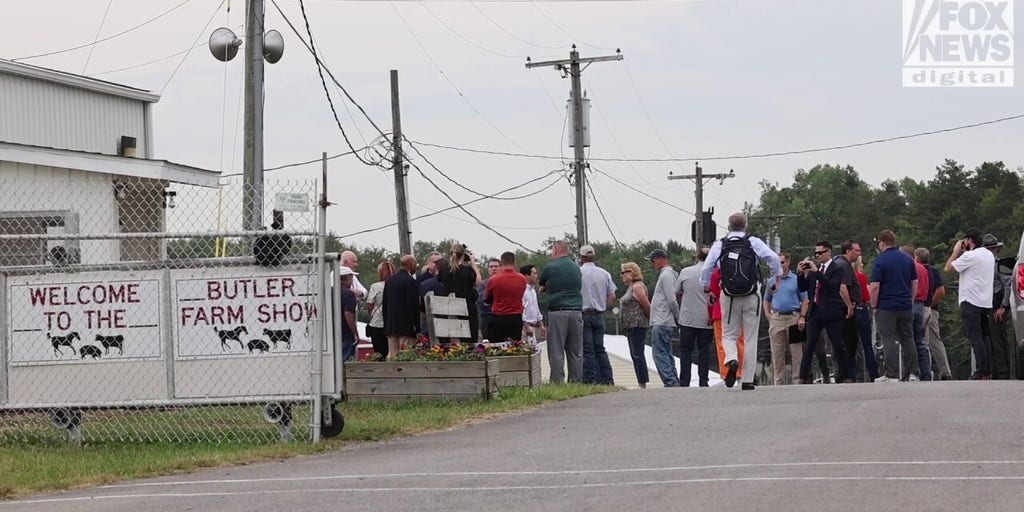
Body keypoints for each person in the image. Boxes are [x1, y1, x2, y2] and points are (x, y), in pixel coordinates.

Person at [700, 212, 781, 390]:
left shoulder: (720, 244)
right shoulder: (753, 242)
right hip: (752, 293)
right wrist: (775, 279)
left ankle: (731, 358)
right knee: (751, 337)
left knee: (729, 333)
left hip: (728, 294)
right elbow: (774, 258)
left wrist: (706, 287)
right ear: (746, 226)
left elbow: (707, 267)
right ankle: (746, 380)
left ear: (728, 227)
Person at [797, 241, 858, 384]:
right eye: (816, 253)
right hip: (815, 311)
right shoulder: (814, 271)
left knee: (838, 344)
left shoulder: (837, 268)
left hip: (831, 311)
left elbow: (832, 285)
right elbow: (803, 288)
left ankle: (846, 375)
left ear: (828, 252)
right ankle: (803, 376)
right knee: (810, 345)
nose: (817, 256)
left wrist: (817, 272)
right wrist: (800, 274)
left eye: (820, 253)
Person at [945, 229, 995, 379]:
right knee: (984, 336)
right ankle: (987, 368)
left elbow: (948, 269)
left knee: (974, 336)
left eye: (964, 241)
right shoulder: (988, 255)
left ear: (969, 240)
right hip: (985, 301)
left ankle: (981, 370)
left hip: (970, 300)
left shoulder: (969, 256)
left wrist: (955, 252)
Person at [871, 229, 919, 382]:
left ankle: (891, 374)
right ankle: (912, 372)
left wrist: (874, 305)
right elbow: (914, 282)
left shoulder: (880, 261)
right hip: (905, 305)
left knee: (888, 339)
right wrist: (910, 300)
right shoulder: (907, 260)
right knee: (908, 338)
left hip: (886, 306)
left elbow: (874, 286)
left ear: (882, 242)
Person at [539, 240, 584, 383]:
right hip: (576, 312)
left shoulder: (550, 267)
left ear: (555, 250)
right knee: (575, 351)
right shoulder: (576, 268)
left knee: (557, 351)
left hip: (558, 311)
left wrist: (546, 288)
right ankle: (576, 382)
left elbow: (542, 285)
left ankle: (557, 382)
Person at [763, 252, 808, 385]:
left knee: (796, 353)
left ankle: (797, 380)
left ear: (788, 262)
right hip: (777, 318)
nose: (779, 265)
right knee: (777, 353)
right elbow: (766, 300)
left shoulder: (796, 279)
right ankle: (779, 382)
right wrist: (768, 315)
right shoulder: (772, 281)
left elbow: (805, 300)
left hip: (794, 317)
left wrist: (802, 317)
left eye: (782, 262)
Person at [676, 248, 713, 387]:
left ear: (697, 257)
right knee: (704, 350)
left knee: (686, 351)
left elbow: (677, 291)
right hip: (706, 318)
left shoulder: (686, 272)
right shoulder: (713, 273)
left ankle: (684, 381)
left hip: (688, 318)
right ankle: (704, 380)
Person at [579, 245, 616, 385]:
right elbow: (612, 296)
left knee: (587, 349)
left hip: (584, 314)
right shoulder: (604, 273)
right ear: (594, 256)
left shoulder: (578, 272)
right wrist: (603, 307)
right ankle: (607, 379)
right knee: (600, 348)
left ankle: (590, 380)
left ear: (581, 258)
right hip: (599, 314)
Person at [917, 247, 952, 380]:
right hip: (932, 309)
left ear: (917, 259)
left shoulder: (923, 271)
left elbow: (941, 290)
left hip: (926, 307)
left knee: (923, 341)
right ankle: (945, 371)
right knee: (934, 341)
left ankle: (927, 371)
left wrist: (930, 304)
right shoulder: (934, 271)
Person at [983, 234, 1013, 379]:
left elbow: (1008, 286)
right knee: (992, 340)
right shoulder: (984, 266)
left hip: (998, 305)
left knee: (999, 340)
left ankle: (1003, 372)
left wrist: (1003, 306)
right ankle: (996, 371)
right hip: (988, 304)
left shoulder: (999, 265)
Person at [648, 248, 680, 387]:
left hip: (661, 319)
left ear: (661, 259)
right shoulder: (669, 275)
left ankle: (670, 381)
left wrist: (678, 318)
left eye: (653, 261)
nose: (652, 264)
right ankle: (673, 379)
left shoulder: (666, 276)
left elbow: (672, 299)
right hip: (664, 320)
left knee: (660, 353)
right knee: (666, 352)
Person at [440, 243, 482, 343]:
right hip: (467, 308)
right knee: (470, 339)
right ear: (463, 256)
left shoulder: (445, 270)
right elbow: (478, 281)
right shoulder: (467, 270)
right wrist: (472, 262)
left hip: (450, 307)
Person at [483, 252, 528, 343]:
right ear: (514, 262)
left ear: (502, 263)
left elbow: (487, 298)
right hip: (516, 317)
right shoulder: (522, 279)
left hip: (498, 317)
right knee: (515, 347)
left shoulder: (494, 280)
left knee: (496, 347)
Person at [709, 267, 745, 381]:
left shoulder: (716, 273)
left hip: (720, 312)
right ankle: (741, 373)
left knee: (722, 344)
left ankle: (726, 374)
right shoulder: (741, 270)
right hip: (739, 311)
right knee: (740, 342)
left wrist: (710, 315)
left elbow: (713, 296)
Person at [903, 245, 932, 381]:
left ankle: (910, 371)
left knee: (908, 339)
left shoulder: (909, 267)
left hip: (910, 302)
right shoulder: (922, 268)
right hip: (921, 304)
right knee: (920, 341)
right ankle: (926, 371)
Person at [619, 262, 651, 388]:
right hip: (630, 325)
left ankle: (642, 382)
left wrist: (649, 318)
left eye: (624, 272)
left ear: (631, 273)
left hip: (637, 323)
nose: (622, 275)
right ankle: (640, 380)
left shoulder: (637, 287)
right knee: (634, 353)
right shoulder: (631, 287)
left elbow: (646, 305)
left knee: (638, 353)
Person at [850, 252, 881, 382]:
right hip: (861, 308)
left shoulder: (845, 277)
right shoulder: (861, 276)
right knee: (867, 344)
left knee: (851, 345)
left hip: (849, 310)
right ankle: (873, 373)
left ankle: (853, 374)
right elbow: (866, 296)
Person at [383, 255, 420, 358]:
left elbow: (385, 305)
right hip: (406, 327)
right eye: (415, 264)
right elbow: (413, 306)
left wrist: (386, 326)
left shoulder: (389, 281)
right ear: (411, 264)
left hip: (391, 326)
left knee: (393, 356)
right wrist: (417, 327)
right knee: (406, 356)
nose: (416, 267)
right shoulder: (410, 282)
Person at [365, 261, 395, 358]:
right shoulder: (395, 285)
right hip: (392, 322)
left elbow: (370, 304)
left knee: (379, 352)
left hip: (377, 323)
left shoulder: (375, 286)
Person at [419, 259, 449, 335]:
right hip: (451, 326)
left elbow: (422, 306)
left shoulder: (425, 285)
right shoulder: (453, 284)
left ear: (436, 268)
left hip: (430, 326)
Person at [520, 265, 546, 346]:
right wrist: (526, 326)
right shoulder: (522, 290)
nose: (536, 276)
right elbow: (522, 309)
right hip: (525, 328)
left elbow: (536, 308)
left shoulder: (532, 291)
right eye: (534, 273)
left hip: (533, 327)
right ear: (527, 276)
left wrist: (541, 325)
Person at [477, 258, 501, 341]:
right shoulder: (483, 284)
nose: (493, 268)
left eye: (496, 266)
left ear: (500, 268)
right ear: (488, 269)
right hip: (487, 318)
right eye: (491, 267)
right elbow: (482, 301)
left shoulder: (504, 283)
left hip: (501, 318)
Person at [339, 266, 359, 361]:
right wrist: (355, 333)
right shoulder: (349, 294)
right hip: (346, 333)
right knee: (346, 361)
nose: (352, 280)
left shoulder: (329, 291)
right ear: (345, 278)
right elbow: (348, 314)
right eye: (351, 277)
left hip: (331, 333)